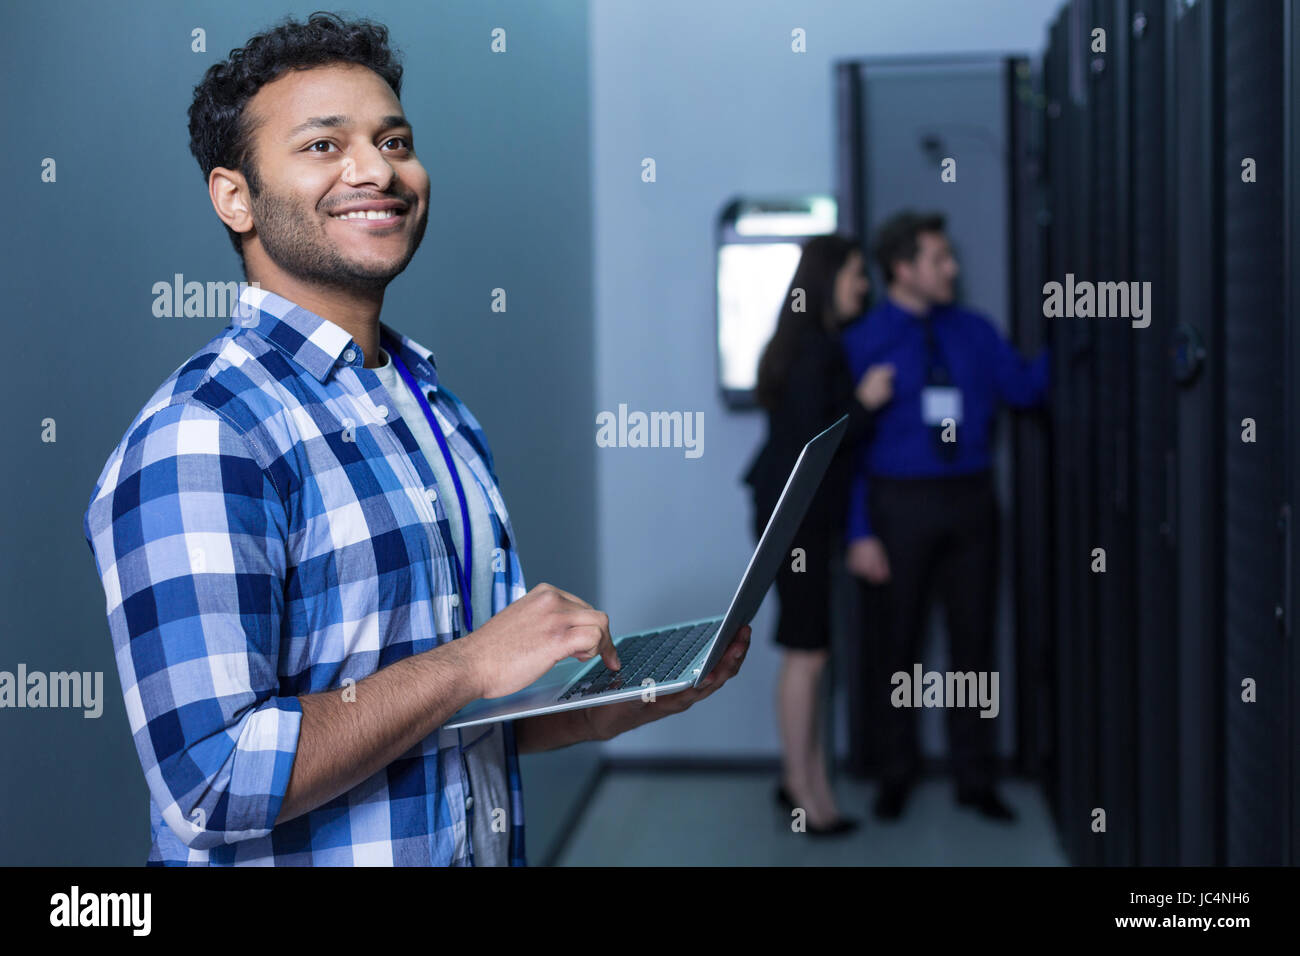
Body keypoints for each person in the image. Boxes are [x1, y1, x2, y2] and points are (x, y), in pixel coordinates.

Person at [80, 12, 751, 867]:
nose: (377, 169)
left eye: (393, 140)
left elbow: (451, 724)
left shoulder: (434, 408)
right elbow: (212, 782)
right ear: (234, 198)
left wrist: (620, 704)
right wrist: (472, 662)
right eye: (324, 146)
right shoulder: (204, 435)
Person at [841, 210, 1049, 823]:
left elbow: (1027, 391)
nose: (953, 268)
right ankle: (894, 773)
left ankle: (975, 777)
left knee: (975, 646)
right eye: (939, 259)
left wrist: (1078, 330)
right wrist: (859, 531)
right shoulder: (863, 341)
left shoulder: (977, 332)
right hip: (895, 506)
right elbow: (846, 447)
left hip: (970, 502)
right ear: (903, 269)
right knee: (895, 648)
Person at [743, 235, 895, 835]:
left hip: (795, 516)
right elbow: (818, 439)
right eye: (857, 274)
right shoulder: (815, 350)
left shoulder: (808, 343)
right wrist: (866, 400)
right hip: (795, 518)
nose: (864, 285)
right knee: (806, 653)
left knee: (808, 650)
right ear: (829, 277)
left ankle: (802, 783)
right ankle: (805, 791)